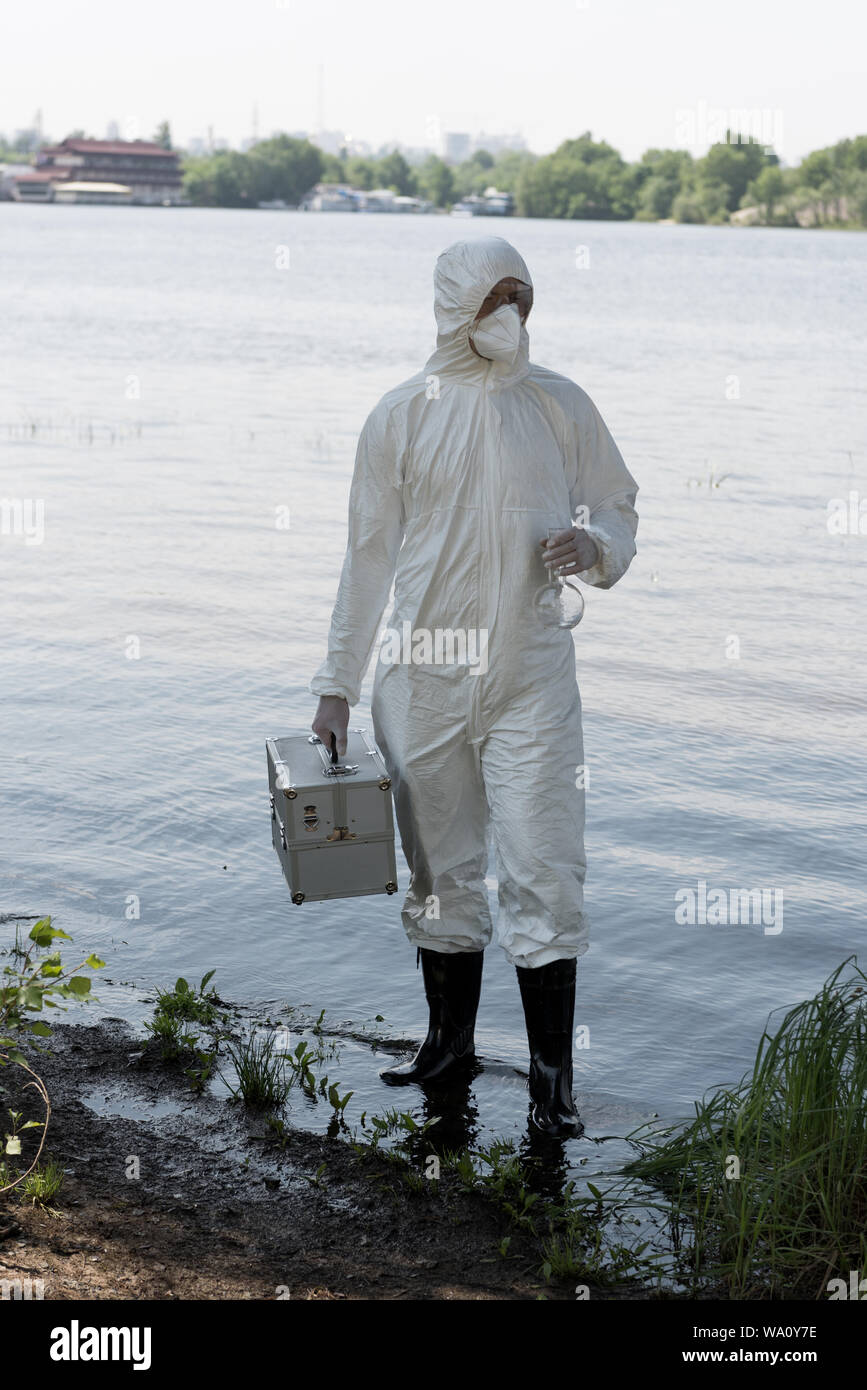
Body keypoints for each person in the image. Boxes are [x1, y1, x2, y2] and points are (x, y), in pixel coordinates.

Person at [311, 236, 638, 1138]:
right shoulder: (399, 416)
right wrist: (335, 684)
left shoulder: (557, 404)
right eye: (497, 297)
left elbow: (616, 502)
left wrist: (597, 547)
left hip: (530, 675)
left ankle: (551, 1085)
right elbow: (365, 558)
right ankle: (447, 1048)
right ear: (455, 303)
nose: (513, 316)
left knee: (544, 871)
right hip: (421, 680)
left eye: (524, 298)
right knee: (439, 873)